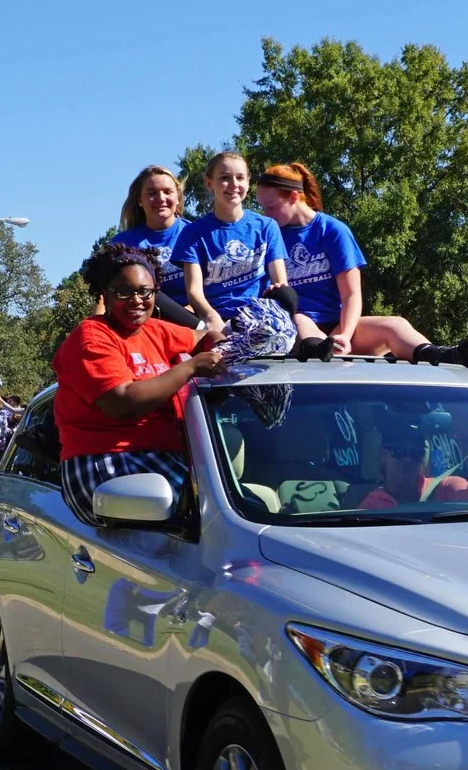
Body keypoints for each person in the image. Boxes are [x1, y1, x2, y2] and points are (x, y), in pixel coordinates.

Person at [53, 244, 228, 522]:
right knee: (209, 521)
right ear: (105, 295)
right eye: (124, 292)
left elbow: (205, 337)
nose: (136, 300)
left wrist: (221, 343)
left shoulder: (154, 330)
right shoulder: (91, 337)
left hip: (163, 458)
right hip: (106, 460)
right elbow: (122, 402)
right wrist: (190, 367)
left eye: (144, 291)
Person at [249, 161, 468, 366]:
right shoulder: (270, 235)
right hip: (299, 328)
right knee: (300, 319)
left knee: (395, 324)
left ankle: (439, 356)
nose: (265, 214)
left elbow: (351, 294)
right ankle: (320, 351)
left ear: (292, 197)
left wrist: (344, 334)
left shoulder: (332, 230)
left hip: (339, 324)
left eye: (269, 207)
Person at [175, 151, 322, 358]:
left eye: (240, 177)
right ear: (210, 184)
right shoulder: (193, 233)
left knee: (296, 314)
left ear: (248, 181)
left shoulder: (266, 226)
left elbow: (281, 281)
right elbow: (194, 291)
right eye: (224, 178)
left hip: (263, 314)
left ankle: (316, 350)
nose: (233, 184)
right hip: (224, 320)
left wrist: (276, 300)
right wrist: (210, 315)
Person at [108, 163, 196, 327]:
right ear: (139, 200)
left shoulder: (196, 234)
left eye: (167, 192)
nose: (161, 198)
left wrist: (186, 315)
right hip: (143, 323)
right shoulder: (123, 243)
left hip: (192, 320)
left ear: (178, 197)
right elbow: (104, 293)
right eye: (152, 193)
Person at [359, 421, 468, 508]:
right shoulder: (370, 506)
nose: (408, 459)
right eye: (399, 451)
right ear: (383, 456)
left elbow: (465, 493)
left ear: (423, 457)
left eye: (417, 452)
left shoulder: (444, 488)